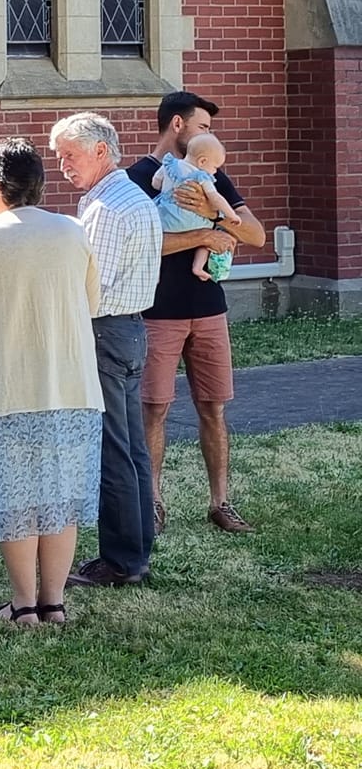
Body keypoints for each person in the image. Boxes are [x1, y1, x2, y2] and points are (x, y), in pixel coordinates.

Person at [0, 138, 103, 630]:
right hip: (70, 384)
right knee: (60, 495)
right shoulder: (72, 230)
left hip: (4, 386)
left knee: (13, 496)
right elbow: (92, 301)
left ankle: (22, 603)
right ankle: (54, 601)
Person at [125, 91, 266, 536]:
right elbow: (141, 244)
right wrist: (205, 234)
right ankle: (153, 503)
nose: (211, 135)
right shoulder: (138, 178)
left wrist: (213, 214)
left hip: (209, 312)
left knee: (213, 407)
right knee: (154, 410)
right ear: (178, 126)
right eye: (204, 127)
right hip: (157, 313)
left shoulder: (212, 174)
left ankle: (220, 502)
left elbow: (257, 236)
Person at [52, 112, 163, 590]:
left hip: (104, 330)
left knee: (113, 451)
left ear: (101, 151)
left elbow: (87, 286)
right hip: (132, 330)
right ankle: (135, 554)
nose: (62, 166)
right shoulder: (130, 197)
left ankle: (121, 561)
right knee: (132, 447)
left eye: (69, 156)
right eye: (58, 158)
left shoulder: (104, 209)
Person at [154, 133, 238, 282]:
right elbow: (215, 198)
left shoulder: (169, 164)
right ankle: (198, 267)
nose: (215, 172)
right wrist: (231, 215)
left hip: (164, 217)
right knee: (209, 233)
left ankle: (157, 275)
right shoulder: (200, 176)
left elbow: (156, 181)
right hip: (187, 219)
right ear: (202, 161)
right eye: (215, 167)